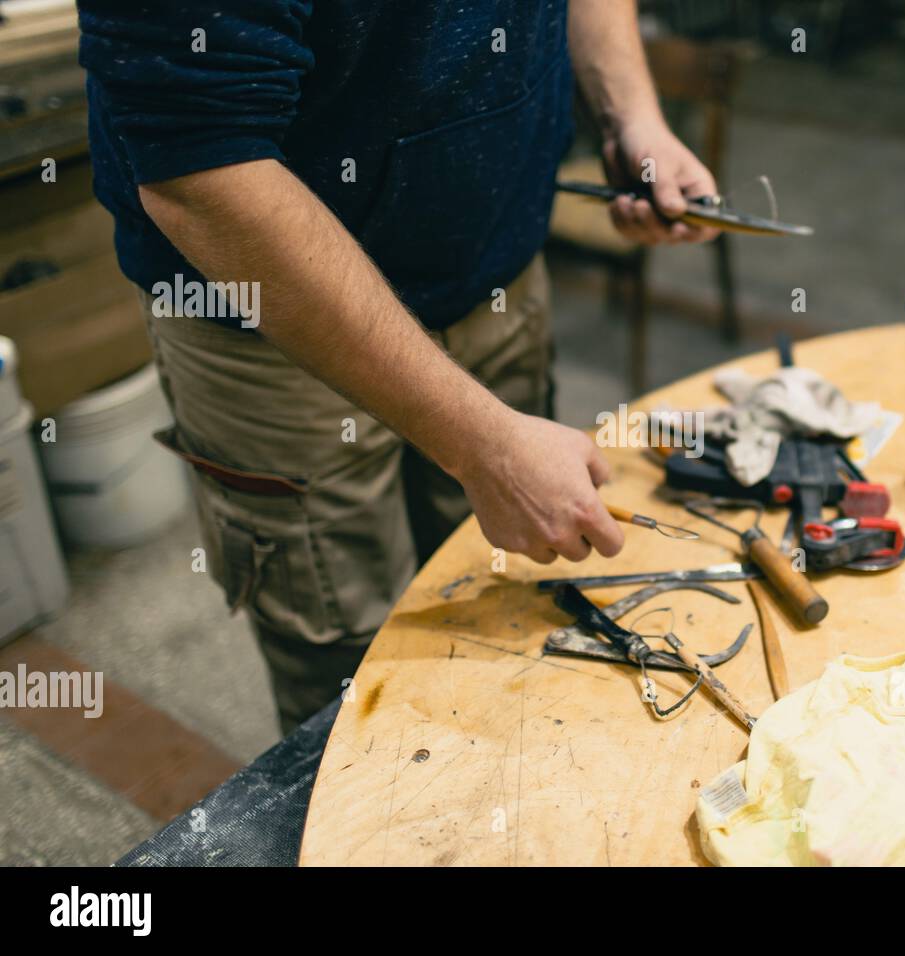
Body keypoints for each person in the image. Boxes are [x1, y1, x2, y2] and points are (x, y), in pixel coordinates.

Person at [78, 0, 720, 730]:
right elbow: (202, 173)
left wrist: (631, 117)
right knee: (347, 672)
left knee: (510, 599)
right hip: (279, 340)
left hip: (494, 275)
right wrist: (486, 446)